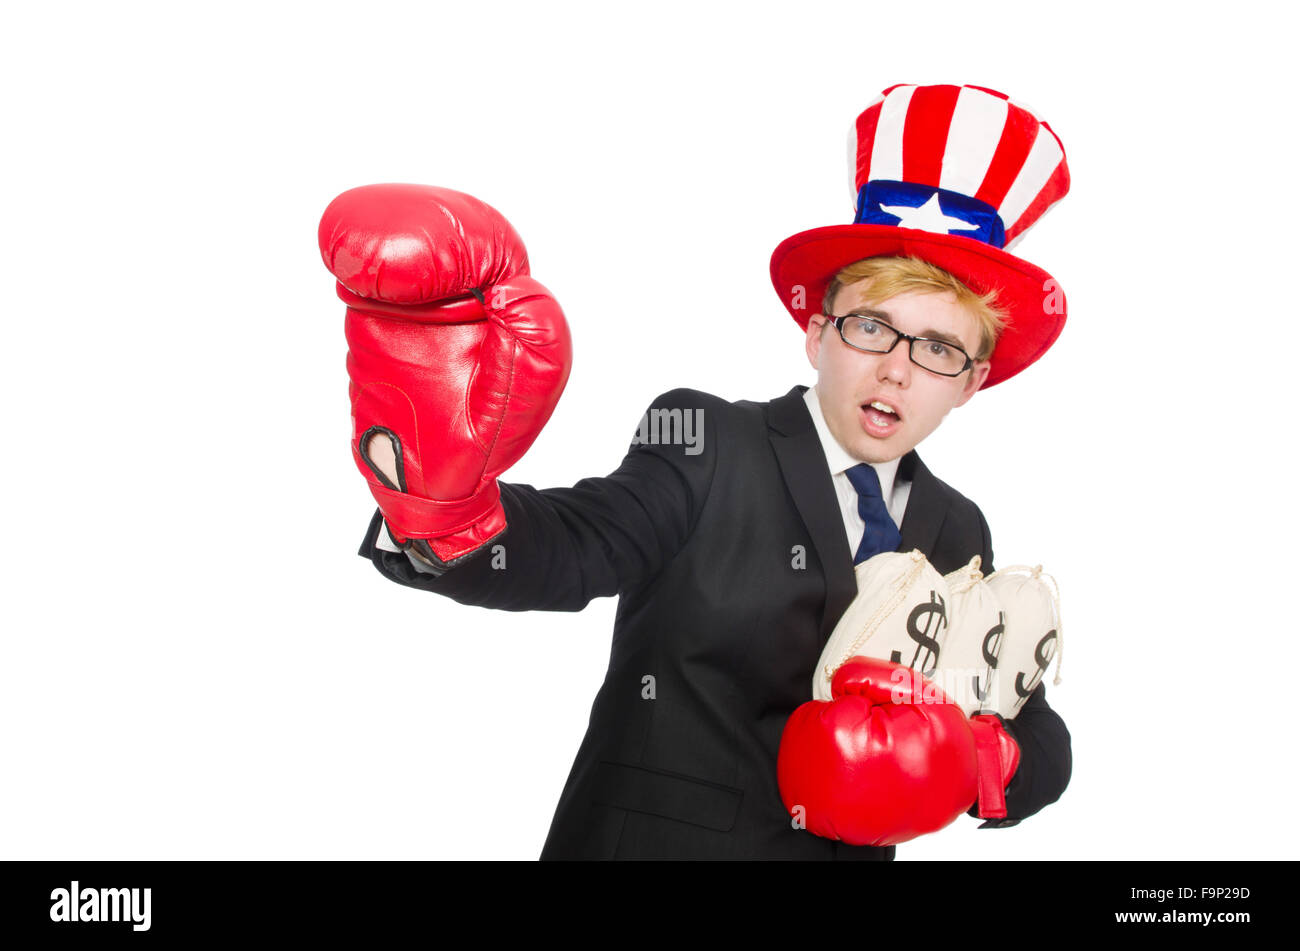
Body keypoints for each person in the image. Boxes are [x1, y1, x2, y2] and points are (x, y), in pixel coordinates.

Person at [326, 83, 1073, 860]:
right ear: (817, 332)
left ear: (970, 381)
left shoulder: (957, 527)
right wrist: (447, 513)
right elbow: (580, 545)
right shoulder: (708, 440)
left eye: (938, 348)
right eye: (871, 326)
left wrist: (987, 760)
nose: (896, 369)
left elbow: (1030, 720)